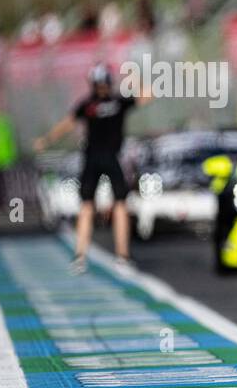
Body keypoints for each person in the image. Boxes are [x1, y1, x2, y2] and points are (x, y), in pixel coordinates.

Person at [32, 63, 152, 273]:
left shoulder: (89, 105)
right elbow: (147, 96)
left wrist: (46, 140)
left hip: (94, 159)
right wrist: (135, 80)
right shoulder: (116, 102)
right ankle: (118, 256)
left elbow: (67, 123)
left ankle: (83, 257)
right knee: (114, 205)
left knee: (93, 206)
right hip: (107, 159)